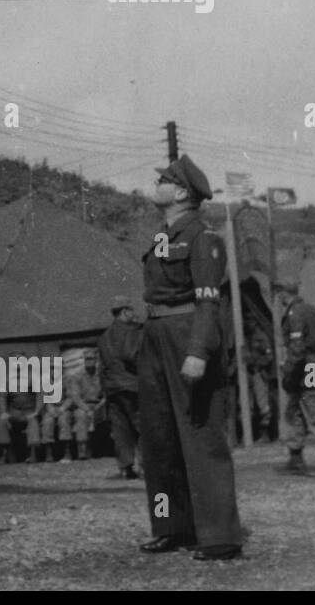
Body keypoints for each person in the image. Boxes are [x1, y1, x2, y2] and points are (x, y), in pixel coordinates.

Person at [136, 155, 244, 561]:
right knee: (159, 440)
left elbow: (208, 301)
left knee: (200, 438)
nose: (157, 184)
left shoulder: (202, 238)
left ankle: (219, 536)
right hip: (157, 337)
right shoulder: (163, 235)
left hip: (186, 337)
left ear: (181, 192)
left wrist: (199, 350)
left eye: (164, 180)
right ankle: (172, 526)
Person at [275, 280, 315, 476]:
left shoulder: (296, 314)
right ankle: (295, 456)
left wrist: (289, 371)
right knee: (296, 410)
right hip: (311, 363)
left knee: (313, 406)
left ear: (284, 295)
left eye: (279, 295)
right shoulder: (312, 310)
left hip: (308, 366)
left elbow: (297, 347)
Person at [98, 297, 143, 478]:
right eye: (132, 310)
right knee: (142, 427)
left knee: (121, 429)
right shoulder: (132, 331)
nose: (135, 314)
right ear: (125, 312)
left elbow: (102, 366)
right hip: (132, 386)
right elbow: (132, 356)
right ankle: (148, 467)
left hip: (112, 388)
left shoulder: (104, 336)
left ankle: (126, 467)